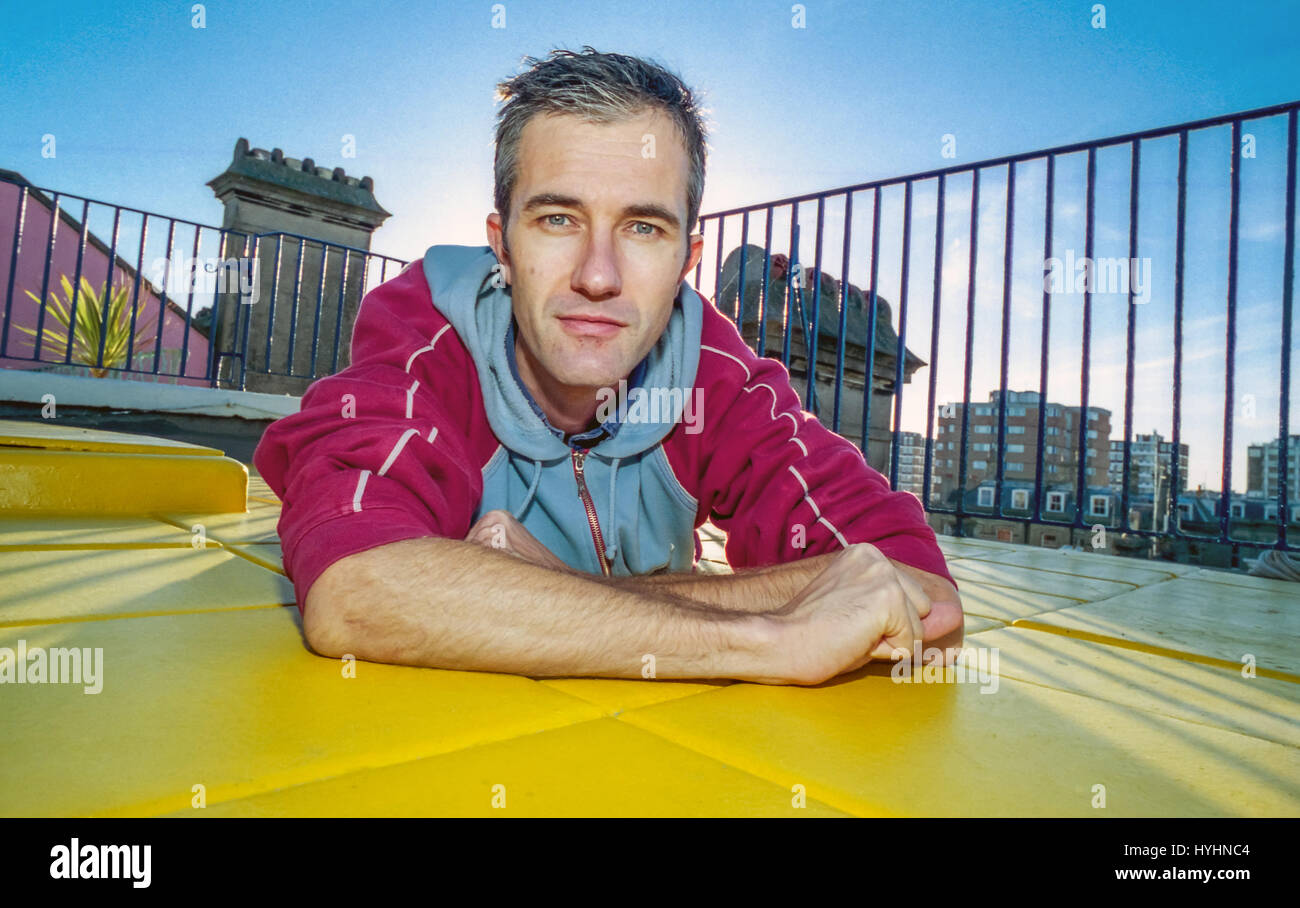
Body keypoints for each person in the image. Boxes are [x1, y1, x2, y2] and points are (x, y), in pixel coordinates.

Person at [253, 46, 963, 686]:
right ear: (501, 245)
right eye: (558, 219)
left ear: (688, 260)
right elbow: (359, 589)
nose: (598, 276)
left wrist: (556, 587)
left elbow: (916, 592)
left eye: (643, 227)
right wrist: (768, 638)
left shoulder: (712, 373)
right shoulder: (427, 334)